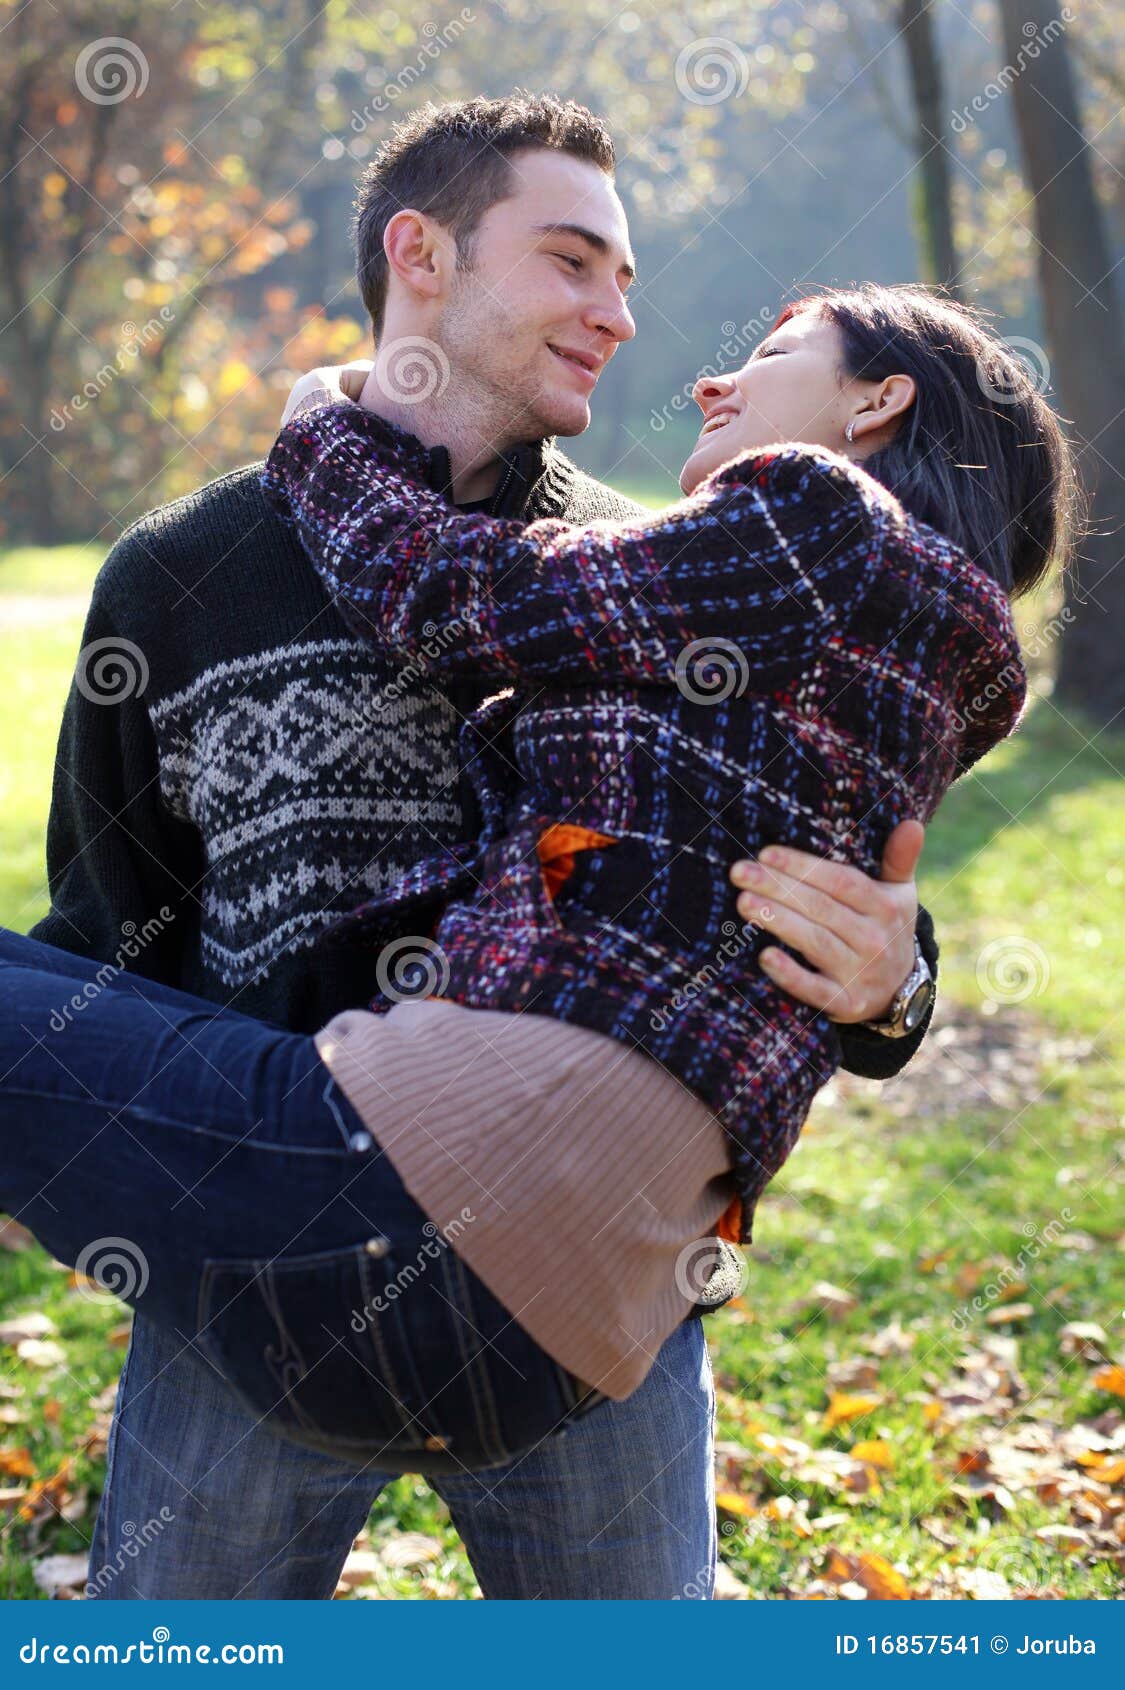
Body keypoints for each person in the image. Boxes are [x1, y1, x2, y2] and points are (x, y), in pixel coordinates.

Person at [18, 96, 937, 1602]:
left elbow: (856, 880)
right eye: (576, 261)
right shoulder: (179, 576)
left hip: (590, 1323)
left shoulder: (662, 576)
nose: (620, 315)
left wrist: (893, 980)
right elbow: (114, 932)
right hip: (244, 1298)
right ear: (419, 254)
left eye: (627, 277)